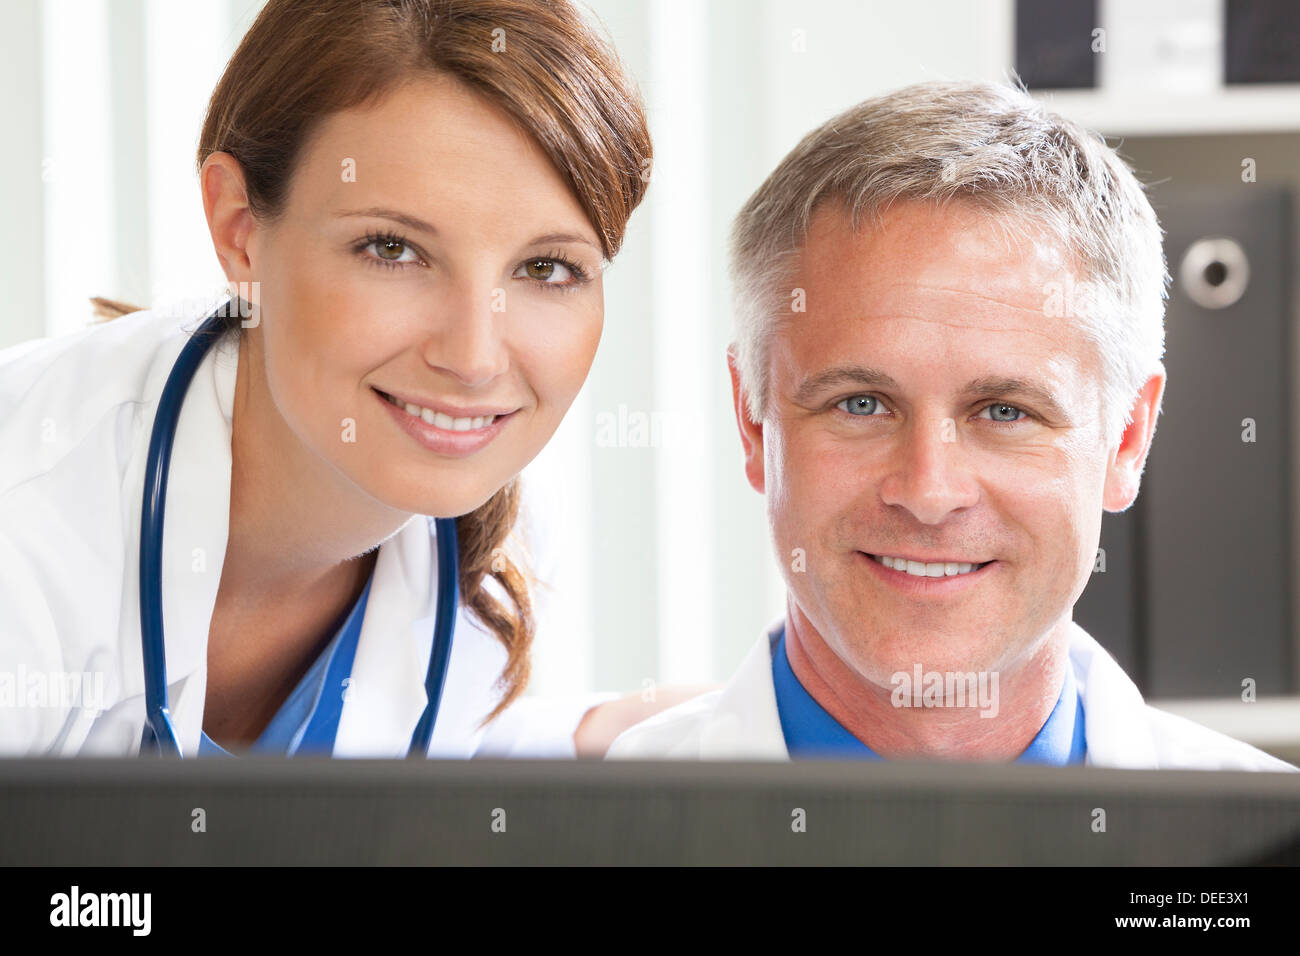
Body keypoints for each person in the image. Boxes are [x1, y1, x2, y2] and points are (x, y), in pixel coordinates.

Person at [0, 0, 701, 758]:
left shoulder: (482, 527)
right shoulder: (31, 526)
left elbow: (436, 749)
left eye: (545, 268)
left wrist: (621, 740)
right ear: (240, 230)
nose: (474, 358)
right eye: (392, 250)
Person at [607, 80, 1296, 771]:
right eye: (861, 404)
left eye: (1005, 412)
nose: (929, 492)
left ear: (1126, 439)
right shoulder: (590, 835)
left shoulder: (1267, 837)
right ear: (752, 421)